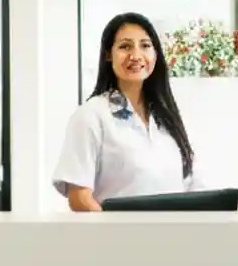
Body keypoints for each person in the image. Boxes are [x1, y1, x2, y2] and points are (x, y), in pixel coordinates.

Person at [53, 12, 199, 211]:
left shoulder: (168, 118)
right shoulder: (91, 116)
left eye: (145, 46)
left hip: (171, 238)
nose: (136, 55)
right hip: (117, 240)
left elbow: (190, 186)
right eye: (125, 46)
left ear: (156, 54)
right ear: (108, 54)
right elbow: (79, 198)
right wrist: (116, 236)